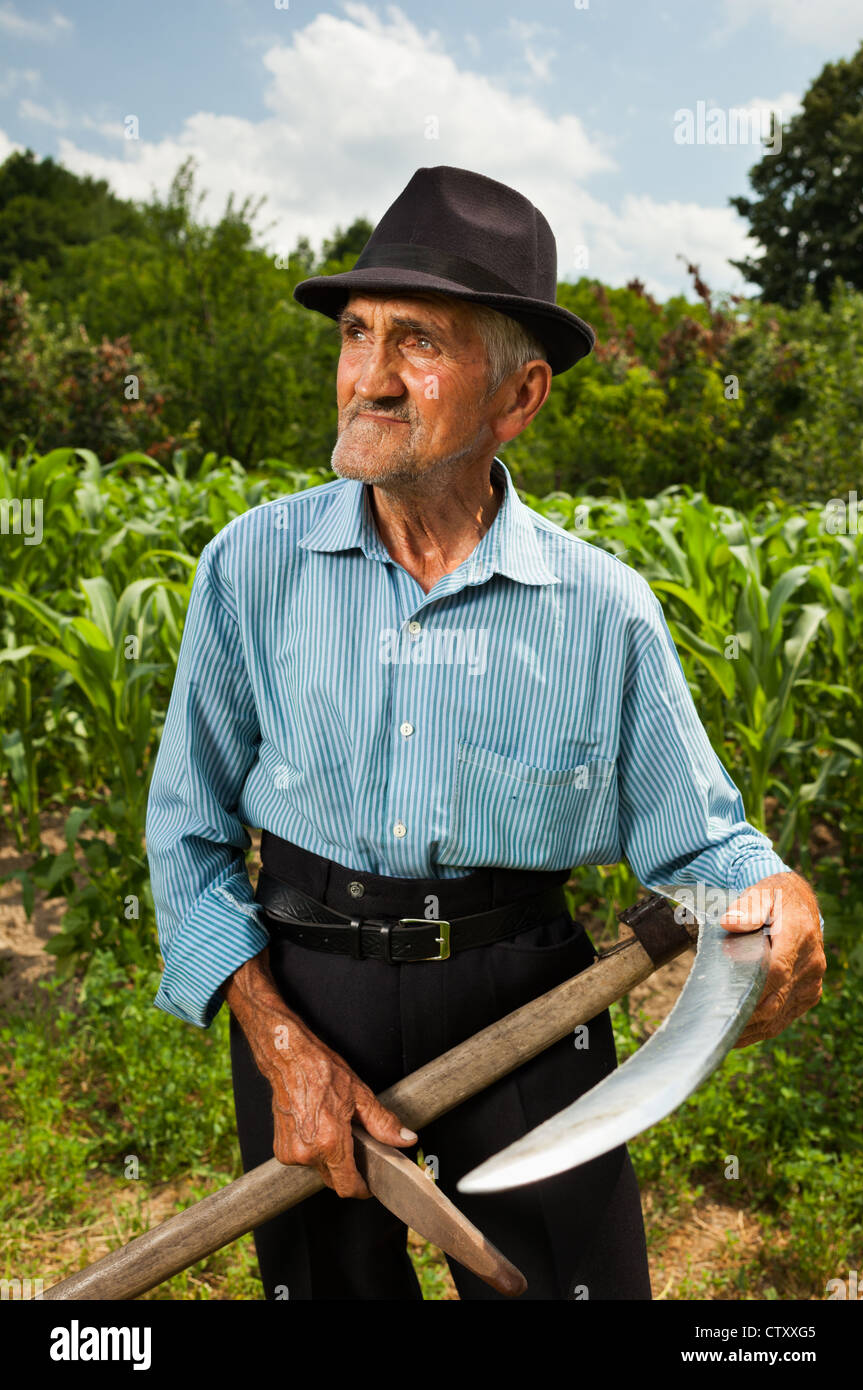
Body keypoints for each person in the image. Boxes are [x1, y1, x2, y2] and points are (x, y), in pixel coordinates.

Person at [145, 165, 825, 1301]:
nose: (366, 378)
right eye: (356, 335)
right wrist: (277, 1041)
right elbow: (187, 835)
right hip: (306, 994)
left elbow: (702, 846)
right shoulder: (250, 566)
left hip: (527, 1014)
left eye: (417, 342)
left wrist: (773, 887)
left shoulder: (601, 608)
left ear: (517, 400)